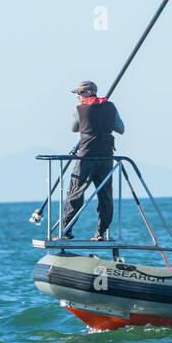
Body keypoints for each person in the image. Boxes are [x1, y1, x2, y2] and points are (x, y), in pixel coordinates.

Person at [60, 80, 125, 240]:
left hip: (86, 157)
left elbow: (74, 128)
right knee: (105, 195)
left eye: (80, 94)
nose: (78, 98)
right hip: (106, 157)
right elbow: (121, 129)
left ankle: (66, 231)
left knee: (75, 193)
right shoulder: (110, 107)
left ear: (88, 92)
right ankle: (100, 233)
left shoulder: (80, 110)